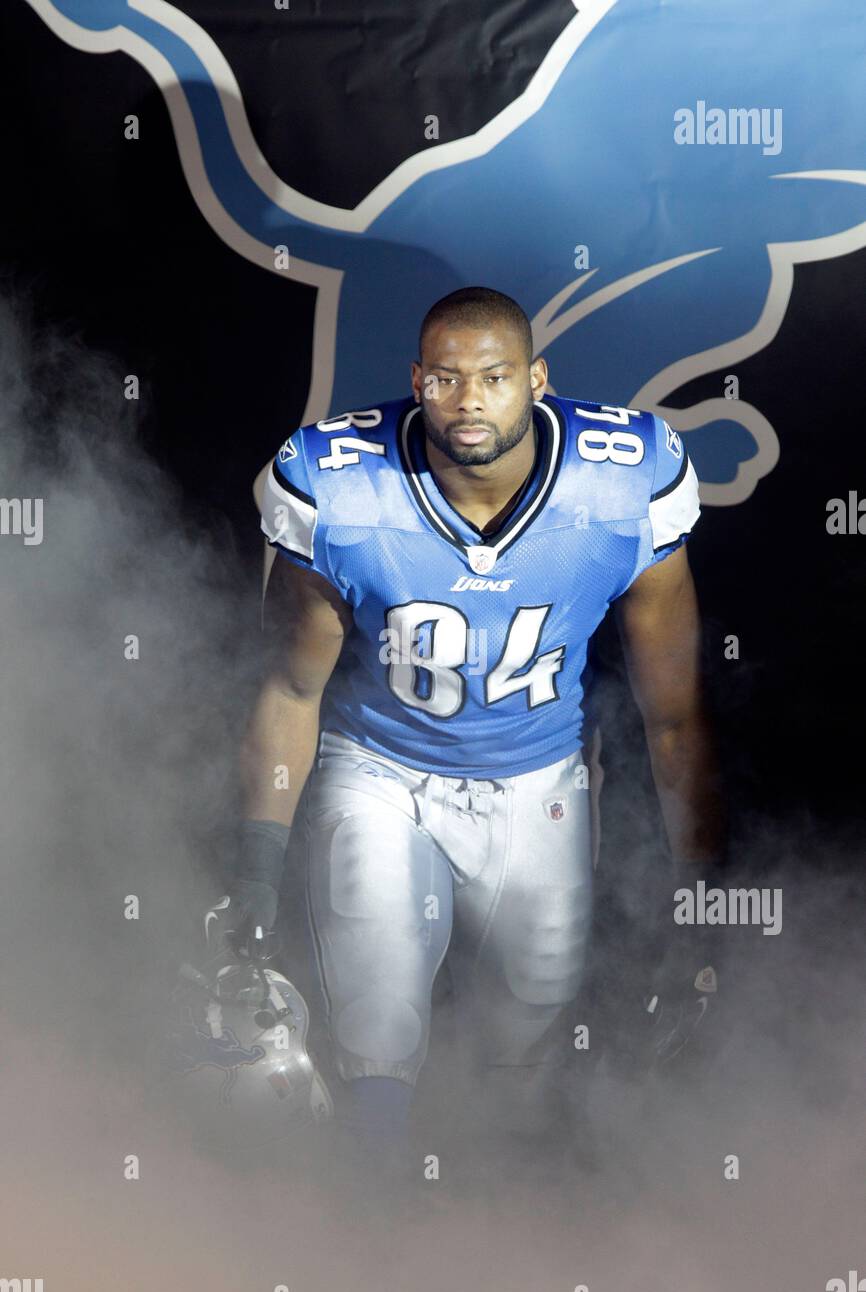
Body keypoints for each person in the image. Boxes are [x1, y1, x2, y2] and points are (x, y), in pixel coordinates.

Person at [220, 285, 727, 1175]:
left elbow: (674, 714)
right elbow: (292, 692)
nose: (469, 401)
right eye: (447, 379)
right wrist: (255, 871)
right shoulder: (341, 484)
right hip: (383, 771)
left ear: (536, 379)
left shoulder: (620, 481)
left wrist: (700, 889)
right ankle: (374, 1235)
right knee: (375, 1030)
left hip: (540, 783)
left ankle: (498, 1236)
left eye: (493, 377)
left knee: (523, 1055)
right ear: (416, 382)